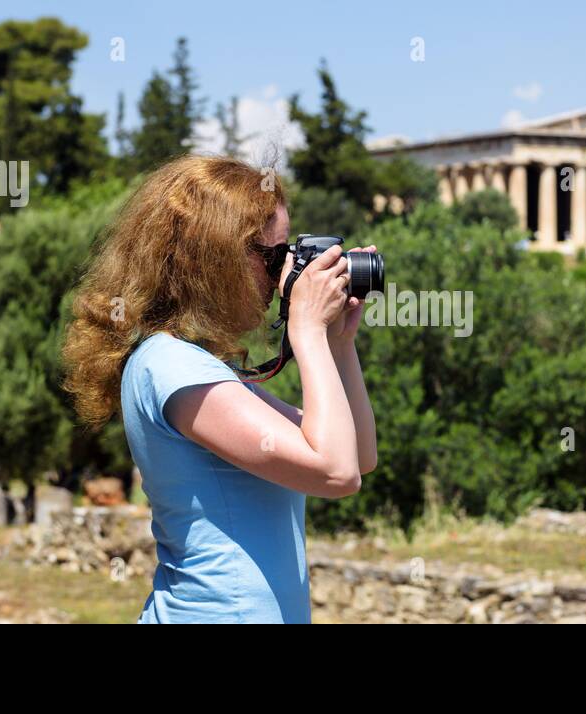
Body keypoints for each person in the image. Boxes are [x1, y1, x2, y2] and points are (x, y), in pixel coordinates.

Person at [62, 156, 377, 623]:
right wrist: (307, 332)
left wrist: (339, 343)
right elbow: (335, 473)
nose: (283, 273)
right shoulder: (169, 366)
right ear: (212, 259)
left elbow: (358, 456)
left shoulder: (209, 369)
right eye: (272, 257)